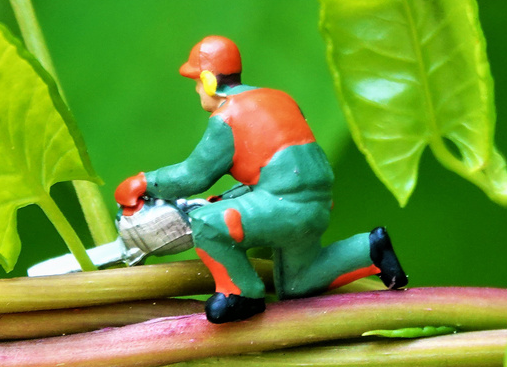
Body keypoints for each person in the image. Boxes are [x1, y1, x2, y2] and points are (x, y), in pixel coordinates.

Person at [114, 35, 407, 323]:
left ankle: (241, 294)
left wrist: (142, 182)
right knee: (297, 285)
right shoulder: (279, 99)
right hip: (316, 205)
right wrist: (231, 198)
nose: (196, 91)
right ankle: (370, 250)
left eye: (196, 82)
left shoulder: (228, 116)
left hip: (286, 207)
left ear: (208, 81)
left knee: (207, 222)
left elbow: (193, 176)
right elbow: (284, 169)